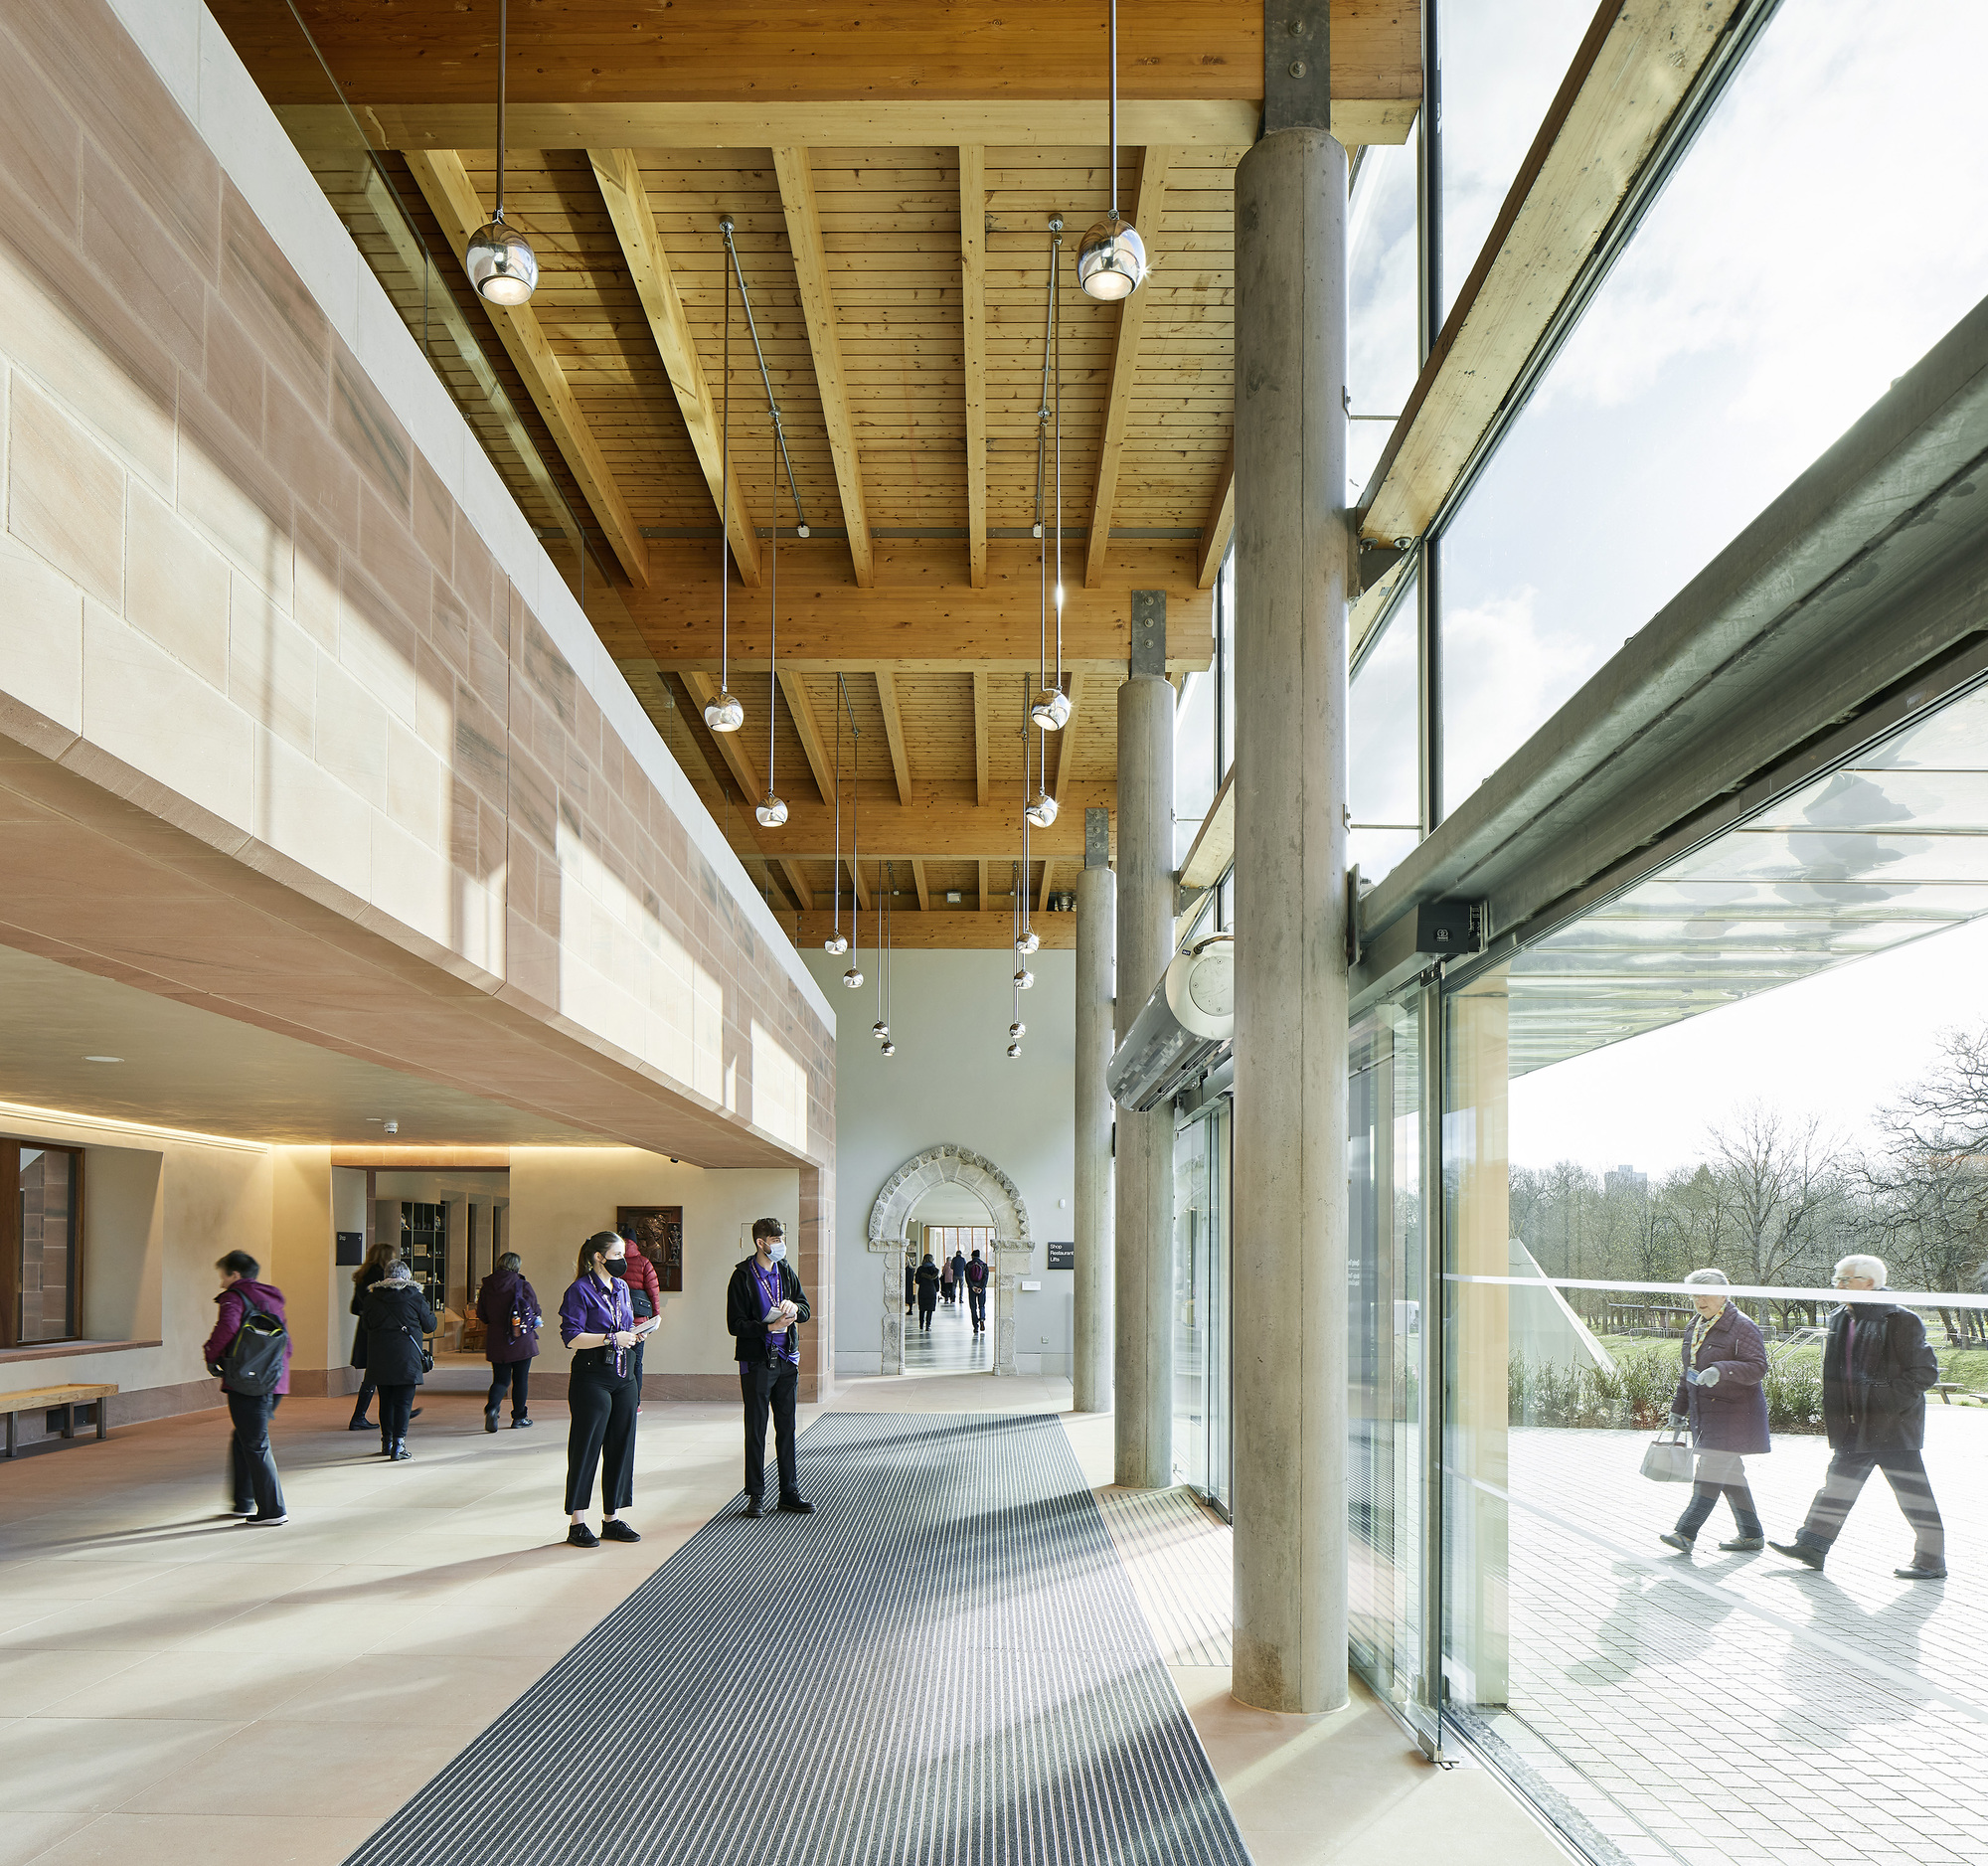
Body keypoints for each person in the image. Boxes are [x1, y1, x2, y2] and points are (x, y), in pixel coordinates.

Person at [1772, 1254, 1946, 1579]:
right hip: (1854, 1426)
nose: (1837, 1285)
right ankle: (1812, 1545)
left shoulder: (1901, 1319)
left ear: (1868, 1283)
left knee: (1913, 1496)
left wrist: (1882, 1400)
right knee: (1836, 1486)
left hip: (1893, 1426)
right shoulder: (1839, 1316)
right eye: (1836, 1278)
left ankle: (1931, 1562)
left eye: (1844, 1279)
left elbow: (1924, 1373)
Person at [1657, 1269, 1768, 1555]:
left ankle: (1685, 1533)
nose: (1699, 1300)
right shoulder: (1696, 1326)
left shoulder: (1742, 1326)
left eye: (1705, 1294)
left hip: (1734, 1416)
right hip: (1706, 1415)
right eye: (1695, 1294)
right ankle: (1752, 1534)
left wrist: (1720, 1369)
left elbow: (1758, 1368)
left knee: (1709, 1472)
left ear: (1723, 1294)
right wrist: (1678, 1410)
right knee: (1731, 1476)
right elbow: (1689, 1373)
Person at [561, 1231, 653, 1547]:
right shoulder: (580, 1289)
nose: (622, 1261)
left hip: (624, 1375)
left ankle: (611, 1519)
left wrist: (634, 1334)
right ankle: (577, 1522)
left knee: (621, 1446)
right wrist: (611, 1339)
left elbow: (622, 1325)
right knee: (586, 1447)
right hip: (592, 1376)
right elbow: (571, 1337)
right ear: (599, 1257)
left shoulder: (624, 1287)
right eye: (616, 1256)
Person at [727, 1217, 813, 1517]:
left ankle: (789, 1492)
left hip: (787, 1360)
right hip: (757, 1362)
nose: (780, 1244)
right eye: (775, 1240)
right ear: (760, 1243)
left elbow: (805, 1308)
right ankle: (756, 1494)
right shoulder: (742, 1276)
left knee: (787, 1427)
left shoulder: (786, 1271)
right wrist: (769, 1327)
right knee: (756, 1429)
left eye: (782, 1238)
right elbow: (734, 1324)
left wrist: (794, 1309)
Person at [203, 1250, 290, 1526]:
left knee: (255, 1443)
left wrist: (210, 1354)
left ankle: (273, 1510)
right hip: (274, 1379)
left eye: (223, 1276)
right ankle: (243, 1500)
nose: (221, 1283)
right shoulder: (270, 1297)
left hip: (248, 1381)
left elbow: (226, 1328)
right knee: (245, 1439)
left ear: (235, 1275)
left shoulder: (234, 1296)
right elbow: (284, 1342)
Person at [360, 1259, 434, 1460]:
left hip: (380, 1357)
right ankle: (399, 1445)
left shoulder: (371, 1299)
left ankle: (387, 1442)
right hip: (407, 1358)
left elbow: (366, 1326)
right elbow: (430, 1326)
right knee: (403, 1402)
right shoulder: (416, 1298)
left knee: (386, 1401)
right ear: (407, 1277)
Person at [476, 1250, 541, 1432]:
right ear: (517, 1266)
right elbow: (534, 1309)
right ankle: (519, 1417)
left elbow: (482, 1314)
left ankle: (493, 1408)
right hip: (520, 1339)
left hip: (497, 1340)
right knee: (520, 1379)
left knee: (500, 1380)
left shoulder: (487, 1286)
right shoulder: (521, 1284)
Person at [613, 1229, 662, 1412]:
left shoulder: (615, 1262)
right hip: (639, 1322)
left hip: (616, 1322)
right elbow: (653, 1290)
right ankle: (635, 1403)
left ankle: (617, 1401)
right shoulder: (644, 1263)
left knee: (617, 1360)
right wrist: (656, 1315)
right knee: (636, 1362)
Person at [964, 1247, 989, 1335]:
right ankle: (982, 1318)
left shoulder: (968, 1265)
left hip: (972, 1289)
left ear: (972, 1256)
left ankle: (976, 1326)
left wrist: (972, 1286)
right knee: (981, 1305)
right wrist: (981, 1287)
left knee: (973, 1307)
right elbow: (985, 1277)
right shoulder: (984, 1264)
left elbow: (967, 1277)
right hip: (981, 1289)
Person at [915, 1252, 940, 1331]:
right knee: (930, 1309)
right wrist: (937, 1289)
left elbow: (917, 1281)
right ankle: (928, 1326)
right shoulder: (935, 1270)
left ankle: (921, 1325)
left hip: (922, 1290)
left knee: (922, 1309)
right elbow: (937, 1282)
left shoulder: (920, 1269)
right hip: (931, 1291)